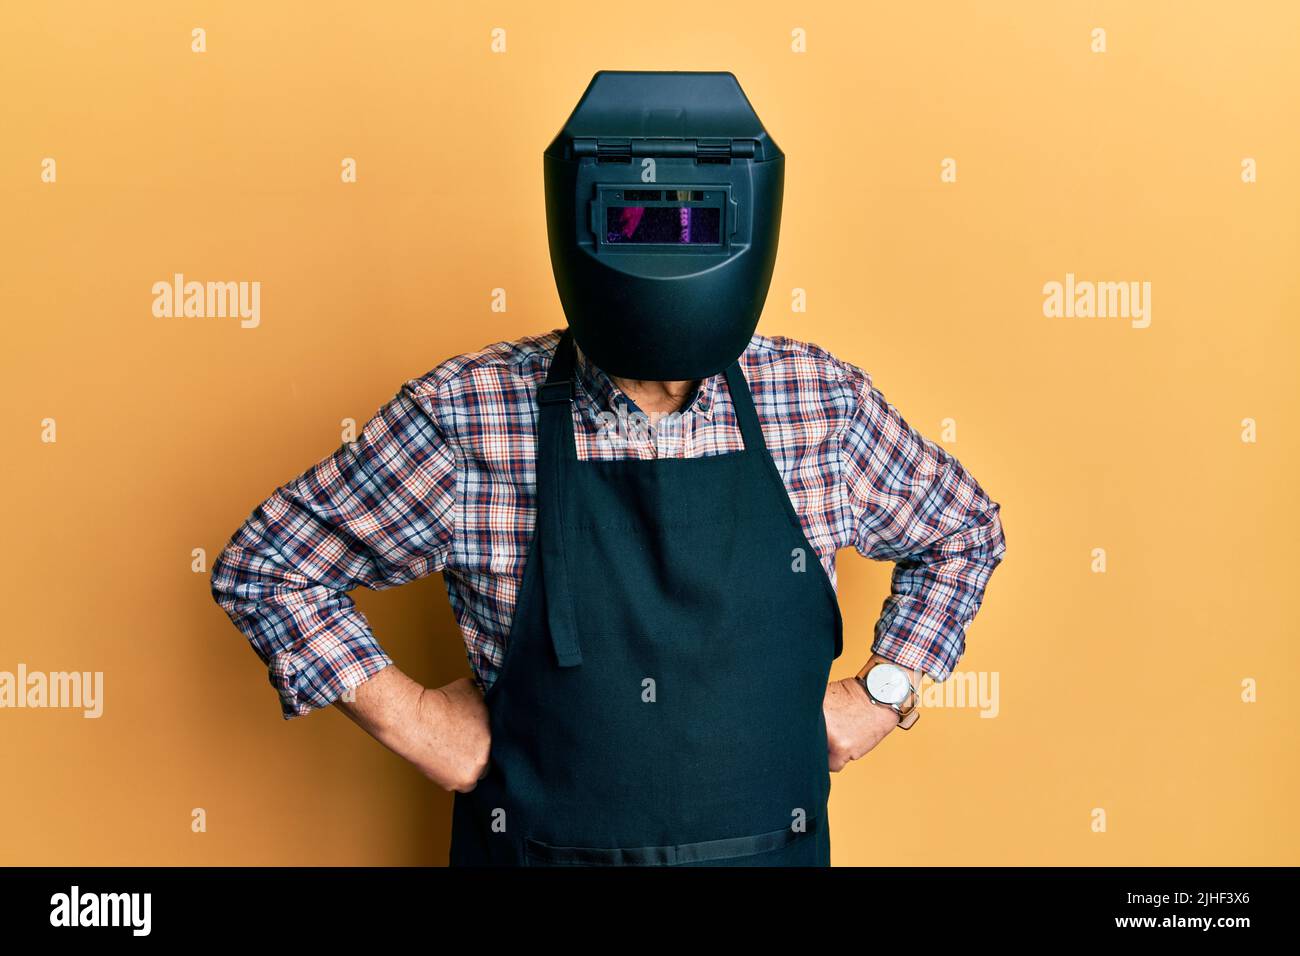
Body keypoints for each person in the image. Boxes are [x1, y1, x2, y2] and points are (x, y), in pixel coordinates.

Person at [210, 71, 1007, 866]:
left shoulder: (819, 402)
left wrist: (885, 693)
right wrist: (415, 722)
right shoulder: (469, 414)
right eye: (635, 220)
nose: (667, 249)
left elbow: (963, 530)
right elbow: (268, 568)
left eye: (696, 224)